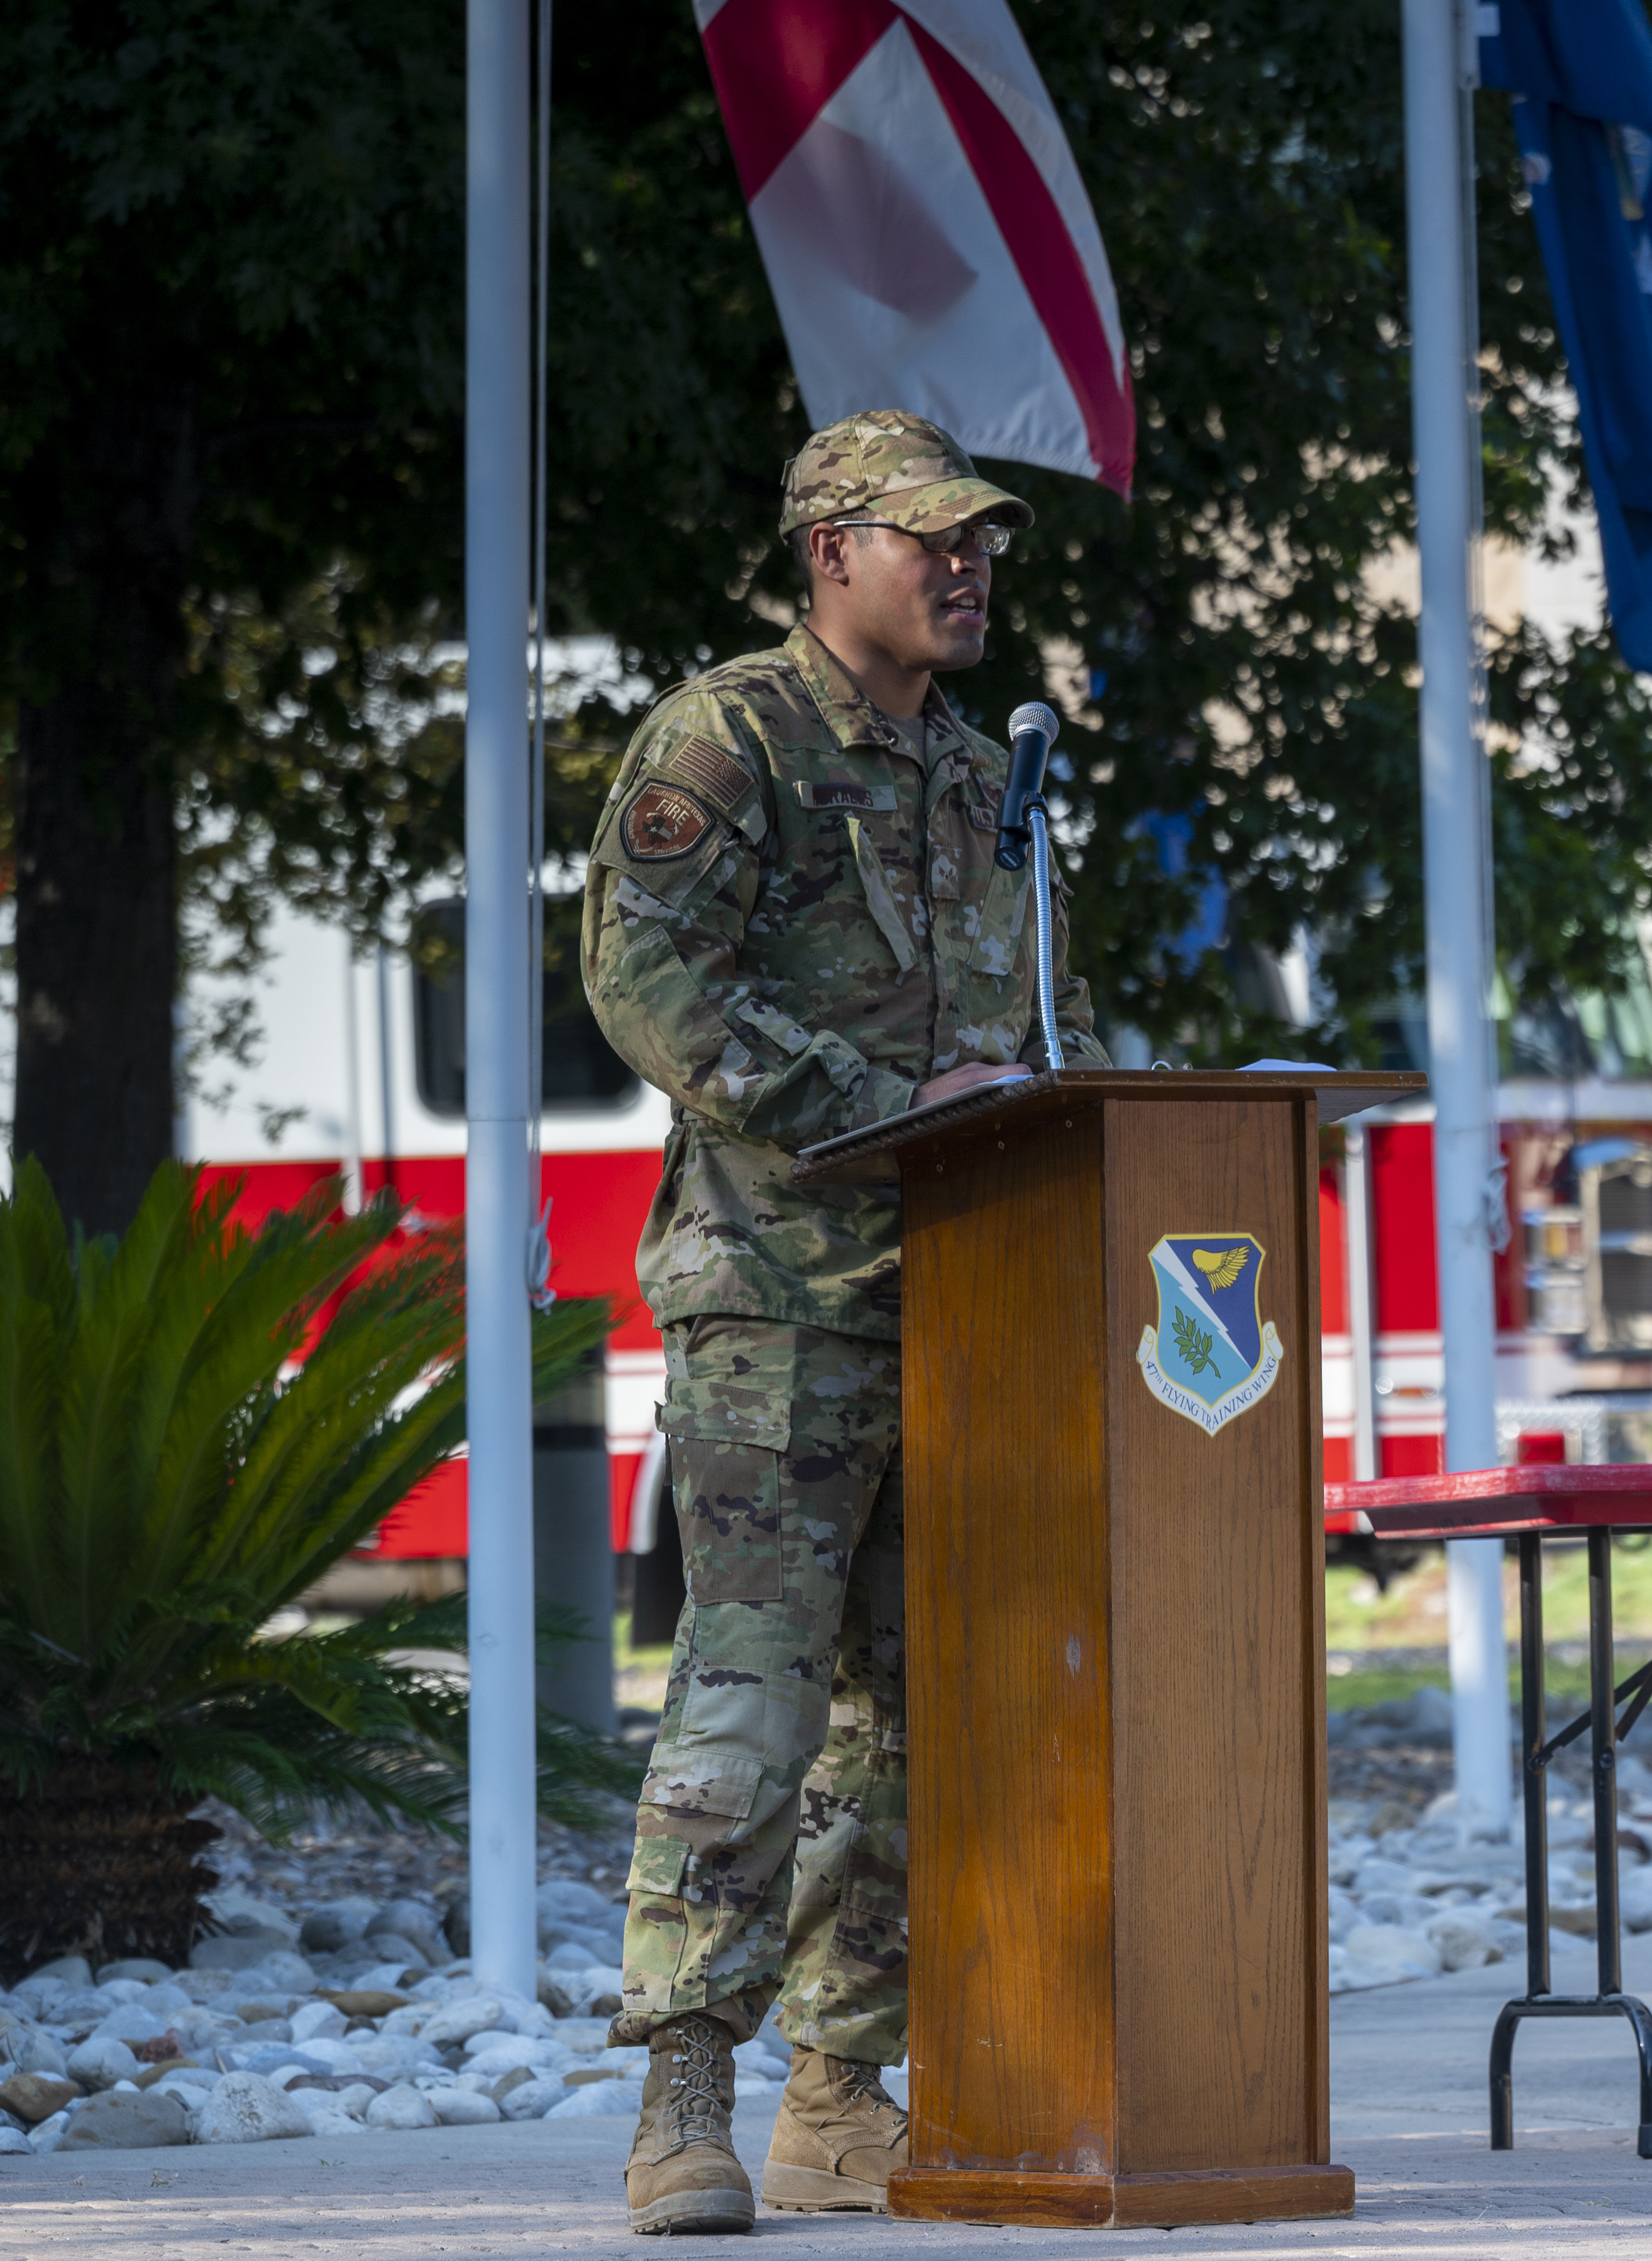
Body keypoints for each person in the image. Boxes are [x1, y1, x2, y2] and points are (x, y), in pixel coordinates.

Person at [581, 409, 1107, 2233]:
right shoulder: (726, 739)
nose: (968, 569)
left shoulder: (982, 776)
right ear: (830, 554)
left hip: (974, 1310)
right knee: (751, 1699)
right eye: (930, 540)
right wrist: (868, 1108)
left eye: (981, 544)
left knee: (921, 1726)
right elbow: (645, 978)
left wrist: (1118, 1133)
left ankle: (836, 2090)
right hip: (780, 1304)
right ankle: (680, 2101)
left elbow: (1051, 1020)